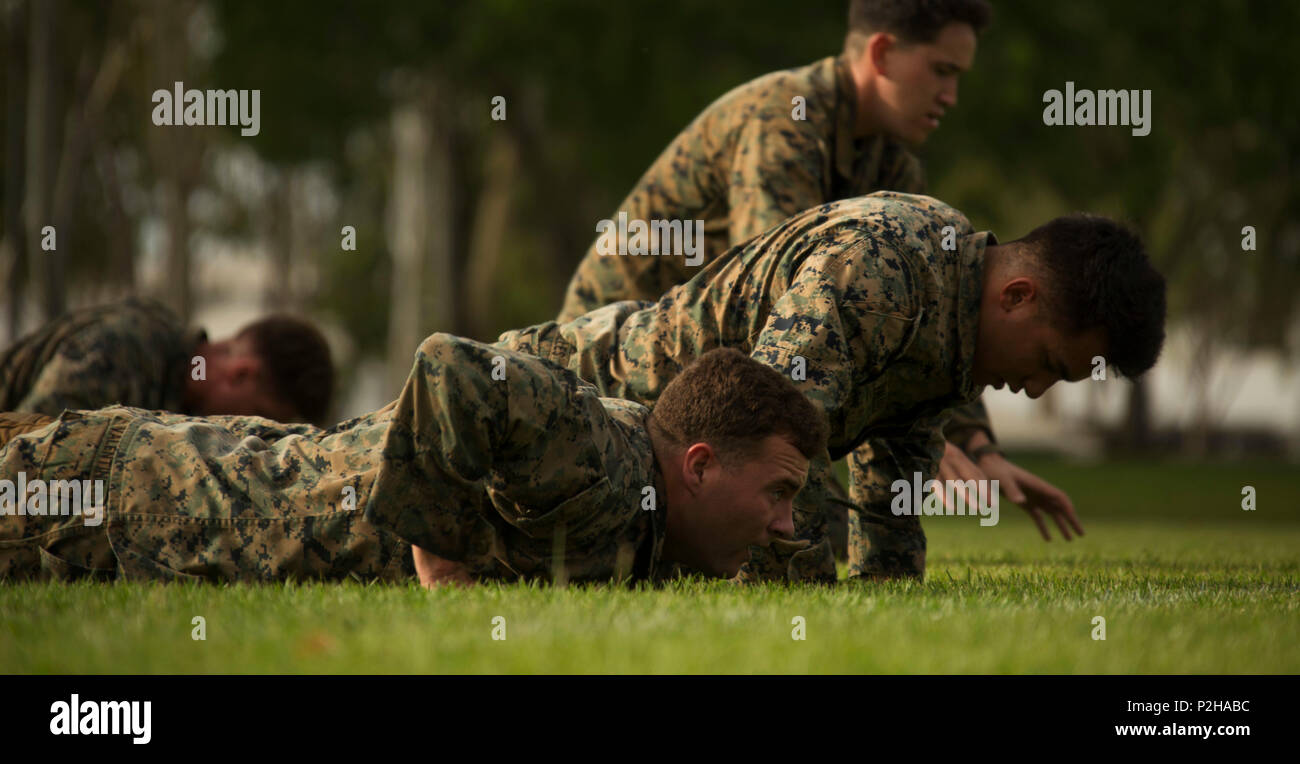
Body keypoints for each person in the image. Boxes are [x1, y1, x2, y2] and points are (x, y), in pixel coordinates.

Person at [557, 0, 1014, 551]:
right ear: (881, 53)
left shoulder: (891, 162)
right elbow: (787, 313)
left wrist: (978, 446)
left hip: (701, 367)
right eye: (941, 70)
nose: (951, 95)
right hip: (617, 358)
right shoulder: (784, 120)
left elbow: (934, 308)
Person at [499, 192, 1167, 582]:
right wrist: (799, 591)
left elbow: (895, 461)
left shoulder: (956, 314)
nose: (1036, 389)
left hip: (670, 460)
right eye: (1051, 361)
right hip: (576, 389)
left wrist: (888, 585)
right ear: (1018, 297)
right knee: (418, 507)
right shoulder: (881, 267)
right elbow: (773, 434)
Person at [0, 337, 826, 586]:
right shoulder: (602, 460)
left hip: (142, 481)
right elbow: (452, 368)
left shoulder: (656, 507)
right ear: (700, 465)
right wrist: (446, 574)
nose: (786, 522)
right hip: (113, 503)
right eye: (780, 494)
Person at [0, 297, 335, 424]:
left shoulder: (181, 402)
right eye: (262, 418)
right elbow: (19, 450)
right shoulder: (124, 354)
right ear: (240, 374)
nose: (255, 432)